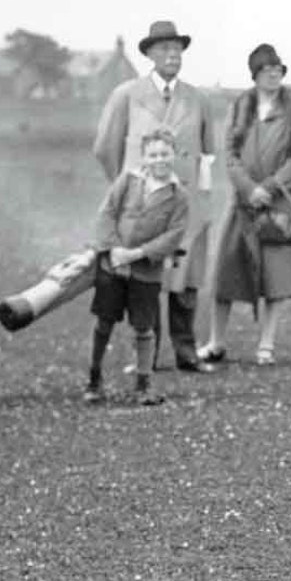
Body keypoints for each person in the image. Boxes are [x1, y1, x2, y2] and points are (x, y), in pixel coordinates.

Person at [92, 19, 216, 373]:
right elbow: (105, 148)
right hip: (141, 205)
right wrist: (128, 189)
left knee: (185, 280)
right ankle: (146, 356)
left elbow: (208, 154)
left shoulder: (198, 99)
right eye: (164, 48)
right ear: (149, 54)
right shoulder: (126, 95)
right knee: (144, 279)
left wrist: (202, 201)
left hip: (185, 204)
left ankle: (186, 351)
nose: (172, 55)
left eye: (177, 48)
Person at [197, 44, 291, 366]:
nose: (273, 74)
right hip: (242, 204)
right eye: (267, 70)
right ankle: (216, 342)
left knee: (276, 278)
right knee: (226, 272)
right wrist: (249, 189)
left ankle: (266, 344)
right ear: (255, 74)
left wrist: (270, 188)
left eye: (278, 69)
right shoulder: (242, 106)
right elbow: (230, 153)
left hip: (280, 206)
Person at [84, 128, 190, 406]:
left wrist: (137, 254)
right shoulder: (128, 181)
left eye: (165, 154)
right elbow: (107, 212)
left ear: (174, 155)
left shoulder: (179, 196)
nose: (159, 160)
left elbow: (173, 235)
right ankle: (94, 378)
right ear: (144, 157)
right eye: (153, 154)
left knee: (144, 327)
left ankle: (144, 384)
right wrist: (113, 248)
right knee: (104, 322)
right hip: (113, 267)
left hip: (146, 272)